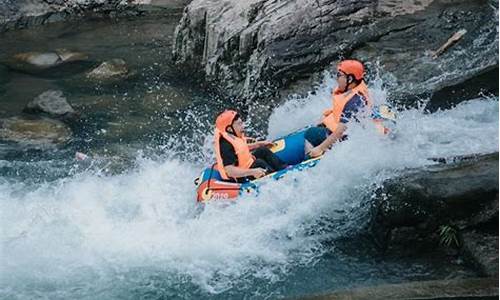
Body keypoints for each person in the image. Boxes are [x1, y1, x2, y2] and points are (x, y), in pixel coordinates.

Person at [305, 59, 373, 158]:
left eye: (339, 75)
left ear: (350, 79)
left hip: (347, 140)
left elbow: (340, 130)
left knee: (311, 133)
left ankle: (309, 158)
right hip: (353, 131)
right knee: (320, 127)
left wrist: (320, 148)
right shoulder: (357, 87)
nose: (337, 78)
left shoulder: (354, 101)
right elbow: (341, 109)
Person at [214, 109, 287, 182]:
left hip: (248, 164)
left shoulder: (233, 136)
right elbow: (230, 171)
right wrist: (253, 171)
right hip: (242, 177)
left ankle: (284, 168)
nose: (243, 126)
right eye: (239, 124)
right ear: (229, 129)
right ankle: (279, 179)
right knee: (259, 163)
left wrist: (257, 144)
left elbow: (239, 150)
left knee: (262, 150)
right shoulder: (225, 145)